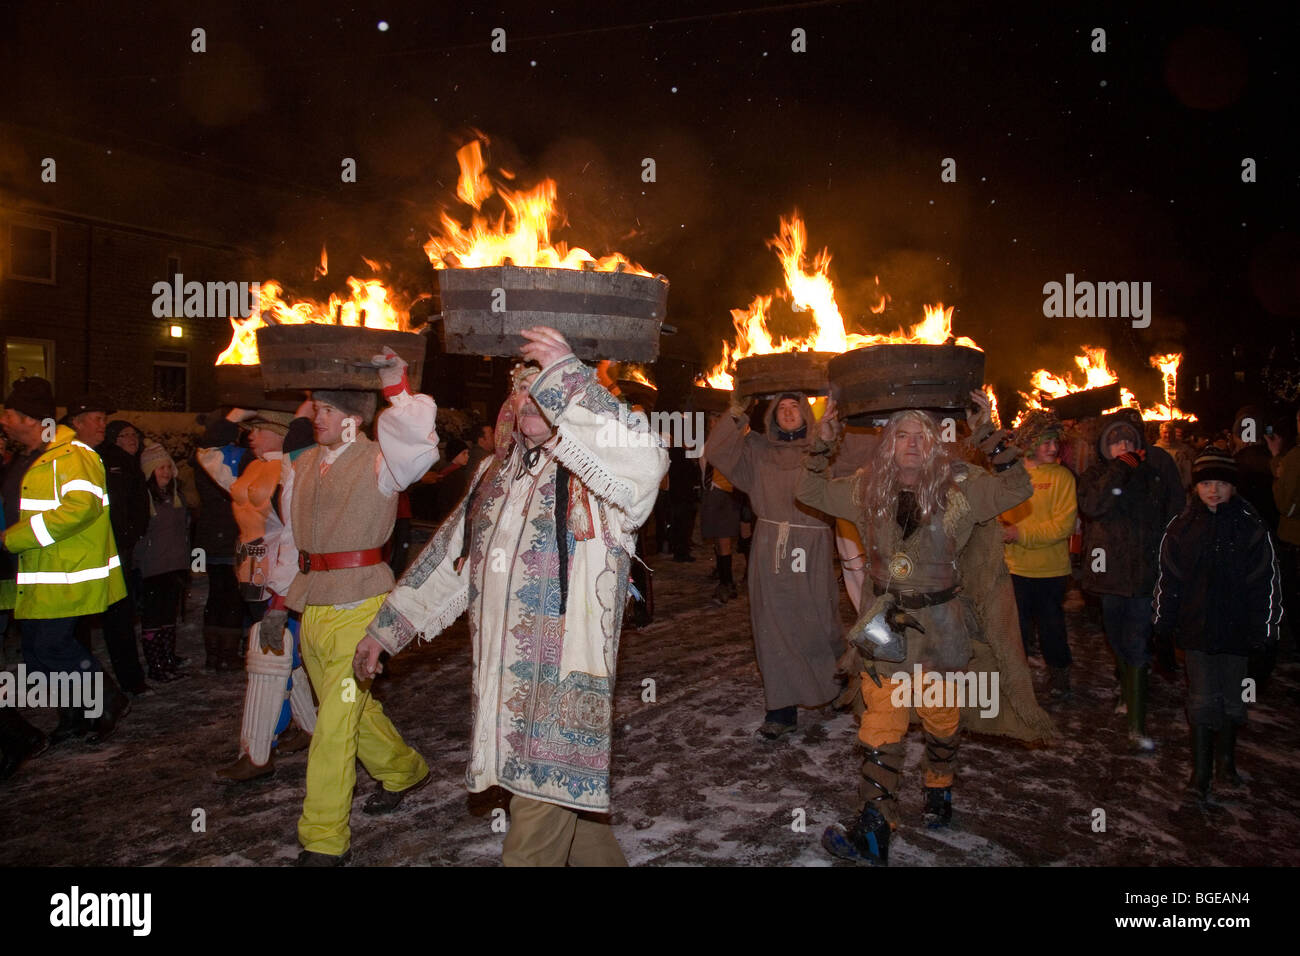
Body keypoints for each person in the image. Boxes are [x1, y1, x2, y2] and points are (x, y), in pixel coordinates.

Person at [362, 327, 668, 866]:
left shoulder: (600, 479)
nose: (531, 400)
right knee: (570, 816)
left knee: (532, 834)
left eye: (544, 389)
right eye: (523, 389)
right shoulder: (493, 474)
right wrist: (387, 628)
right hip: (502, 682)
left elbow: (647, 462)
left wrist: (569, 376)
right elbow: (449, 561)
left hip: (564, 685)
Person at [797, 392, 1035, 863]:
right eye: (900, 435)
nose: (910, 444)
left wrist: (987, 435)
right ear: (887, 445)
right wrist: (823, 443)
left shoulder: (962, 487)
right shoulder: (868, 489)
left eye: (920, 437)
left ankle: (939, 788)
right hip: (886, 626)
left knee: (941, 719)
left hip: (943, 628)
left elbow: (1017, 490)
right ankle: (873, 830)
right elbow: (809, 492)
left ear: (936, 445)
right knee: (880, 721)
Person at [279, 348, 438, 866]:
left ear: (351, 419)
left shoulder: (382, 461)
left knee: (333, 727)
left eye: (322, 410)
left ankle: (324, 840)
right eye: (313, 409)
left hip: (363, 606)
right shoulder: (301, 466)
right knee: (348, 710)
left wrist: (395, 382)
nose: (312, 417)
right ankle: (405, 770)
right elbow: (291, 541)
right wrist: (278, 601)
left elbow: (417, 442)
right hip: (312, 604)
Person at [0, 377, 131, 744]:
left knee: (52, 648)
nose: (4, 420)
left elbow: (80, 508)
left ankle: (107, 702)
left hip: (66, 572)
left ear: (30, 418)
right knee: (38, 655)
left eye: (9, 413)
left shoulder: (74, 455)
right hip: (35, 573)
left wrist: (13, 538)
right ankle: (75, 716)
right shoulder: (30, 458)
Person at [706, 391, 841, 738]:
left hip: (812, 543)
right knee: (772, 624)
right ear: (771, 416)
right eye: (781, 408)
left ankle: (832, 685)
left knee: (817, 619)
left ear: (806, 414)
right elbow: (718, 452)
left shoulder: (824, 448)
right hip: (771, 547)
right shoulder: (757, 450)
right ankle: (780, 709)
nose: (788, 412)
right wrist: (736, 413)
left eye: (795, 406)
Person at [1153, 448, 1281, 804]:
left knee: (1234, 699)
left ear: (1232, 487)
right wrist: (1163, 629)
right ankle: (1201, 773)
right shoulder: (1181, 529)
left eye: (1221, 483)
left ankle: (1227, 761)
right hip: (1197, 632)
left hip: (1238, 634)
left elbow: (1265, 584)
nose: (1213, 490)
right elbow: (1170, 582)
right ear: (1195, 487)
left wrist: (1267, 635)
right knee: (1201, 699)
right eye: (1206, 483)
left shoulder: (1251, 528)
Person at [198, 406, 316, 782]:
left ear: (283, 433)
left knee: (269, 661)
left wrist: (283, 594)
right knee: (282, 660)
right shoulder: (248, 466)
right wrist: (235, 414)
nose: (251, 434)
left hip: (283, 582)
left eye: (260, 428)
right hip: (252, 578)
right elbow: (208, 451)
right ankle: (311, 730)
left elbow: (297, 539)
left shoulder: (296, 469)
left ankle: (257, 751)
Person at [1077, 411, 1184, 752]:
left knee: (1137, 641)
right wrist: (1119, 468)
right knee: (1116, 638)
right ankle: (1126, 691)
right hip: (1108, 573)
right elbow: (1094, 506)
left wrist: (1168, 559)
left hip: (1142, 573)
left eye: (1128, 440)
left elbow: (1174, 511)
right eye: (1114, 441)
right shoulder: (1095, 475)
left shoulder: (1154, 472)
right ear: (1104, 447)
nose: (1122, 445)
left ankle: (1136, 723)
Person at [65, 401, 150, 695]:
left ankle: (130, 680)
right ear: (78, 422)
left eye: (104, 419)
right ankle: (82, 689)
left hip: (114, 551)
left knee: (119, 616)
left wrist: (126, 538)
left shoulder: (117, 460)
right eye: (98, 418)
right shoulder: (67, 456)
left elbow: (138, 501)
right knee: (76, 622)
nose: (103, 425)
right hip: (77, 553)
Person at [1000, 410, 1078, 697]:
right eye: (1045, 442)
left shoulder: (1062, 478)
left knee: (1052, 629)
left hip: (1051, 571)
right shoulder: (1015, 475)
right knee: (1015, 629)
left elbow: (1063, 525)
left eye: (1055, 442)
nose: (1053, 448)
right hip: (1015, 568)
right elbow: (1003, 512)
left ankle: (1059, 676)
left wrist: (1022, 534)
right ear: (1030, 443)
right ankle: (1016, 680)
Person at [193, 410, 249, 671]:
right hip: (225, 534)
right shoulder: (217, 459)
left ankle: (215, 653)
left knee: (218, 594)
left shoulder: (204, 459)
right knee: (230, 596)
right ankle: (226, 653)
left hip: (213, 534)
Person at [134, 442, 191, 681]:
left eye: (169, 466)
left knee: (169, 617)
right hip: (153, 568)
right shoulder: (144, 499)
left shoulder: (176, 496)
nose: (166, 471)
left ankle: (168, 660)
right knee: (153, 619)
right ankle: (155, 664)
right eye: (160, 468)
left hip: (175, 565)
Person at [699, 412, 743, 605]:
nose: (713, 424)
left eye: (717, 421)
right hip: (711, 491)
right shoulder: (709, 441)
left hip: (725, 493)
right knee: (717, 539)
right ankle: (724, 578)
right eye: (711, 421)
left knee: (724, 540)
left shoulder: (729, 442)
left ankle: (727, 583)